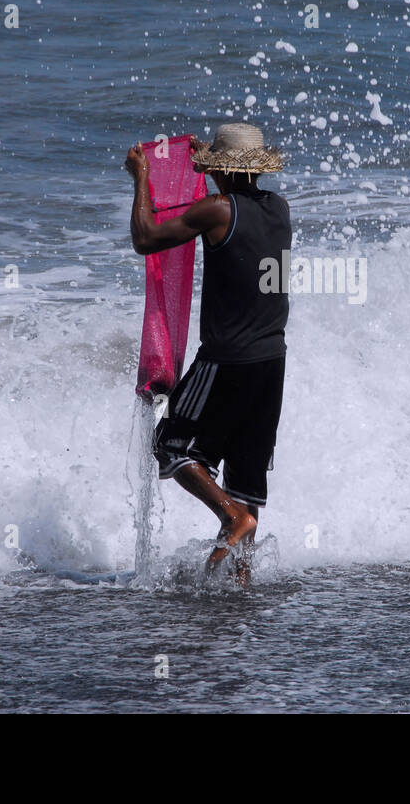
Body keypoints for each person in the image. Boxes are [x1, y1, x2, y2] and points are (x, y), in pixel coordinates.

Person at [124, 122, 290, 584]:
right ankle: (241, 579)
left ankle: (232, 519)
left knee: (170, 446)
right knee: (246, 480)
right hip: (271, 359)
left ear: (219, 169)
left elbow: (146, 238)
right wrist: (209, 164)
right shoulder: (280, 208)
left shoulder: (217, 210)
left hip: (226, 359)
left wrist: (141, 178)